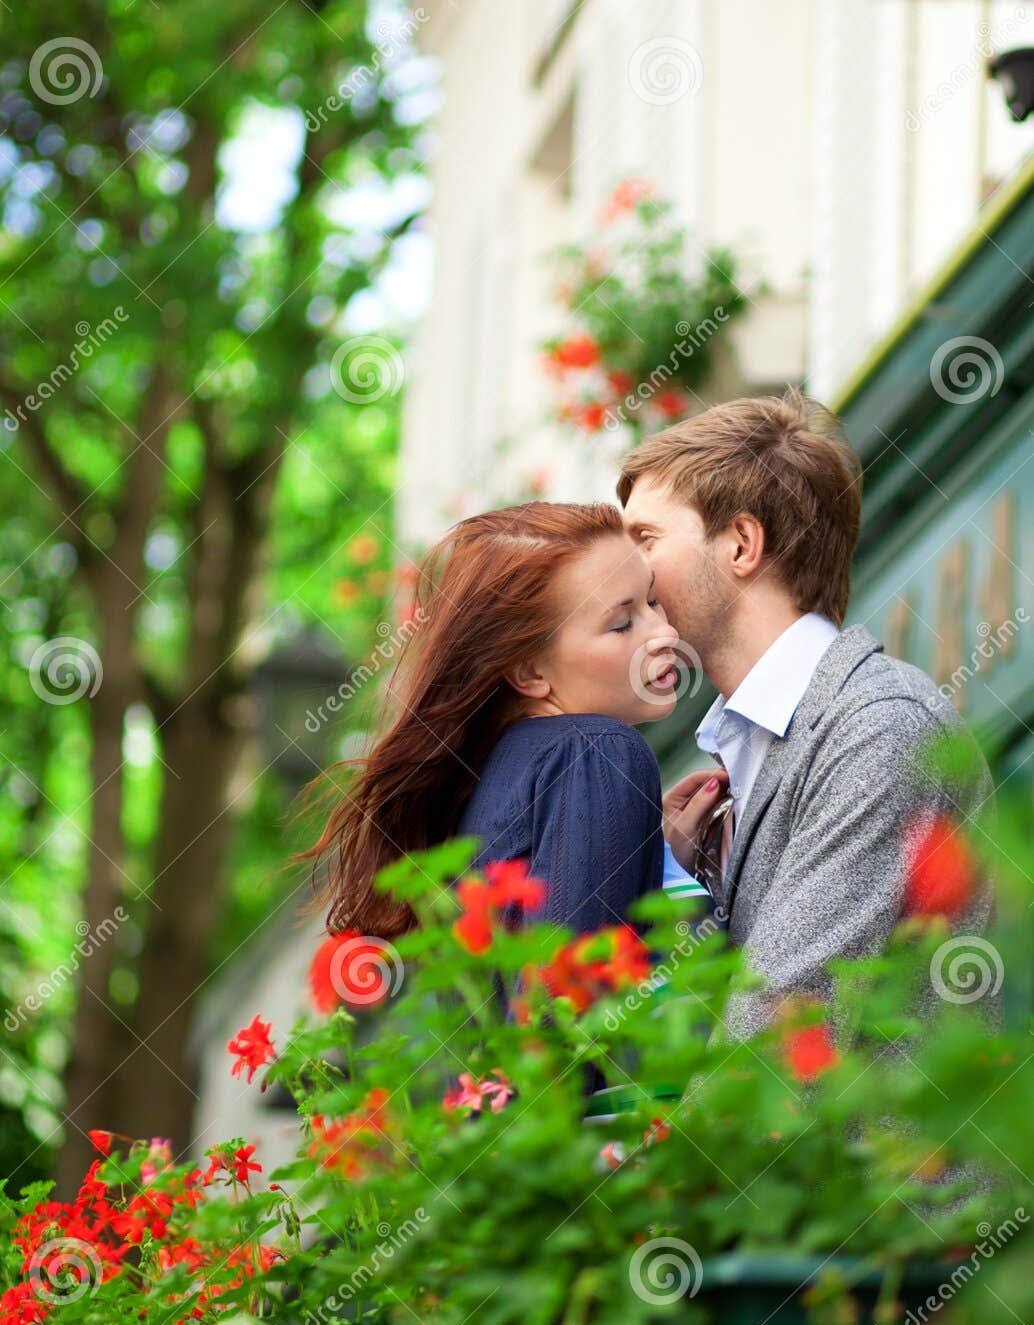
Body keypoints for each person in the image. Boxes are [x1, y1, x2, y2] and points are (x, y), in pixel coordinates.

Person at [617, 388, 992, 1035]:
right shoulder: (755, 750)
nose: (623, 572)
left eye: (643, 539)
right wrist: (665, 880)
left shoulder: (877, 725)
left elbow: (776, 1038)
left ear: (741, 544)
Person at [301, 502, 727, 942]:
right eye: (621, 624)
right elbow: (570, 980)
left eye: (652, 600)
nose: (665, 633)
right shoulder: (596, 750)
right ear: (529, 672)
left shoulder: (494, 779)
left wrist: (648, 856)